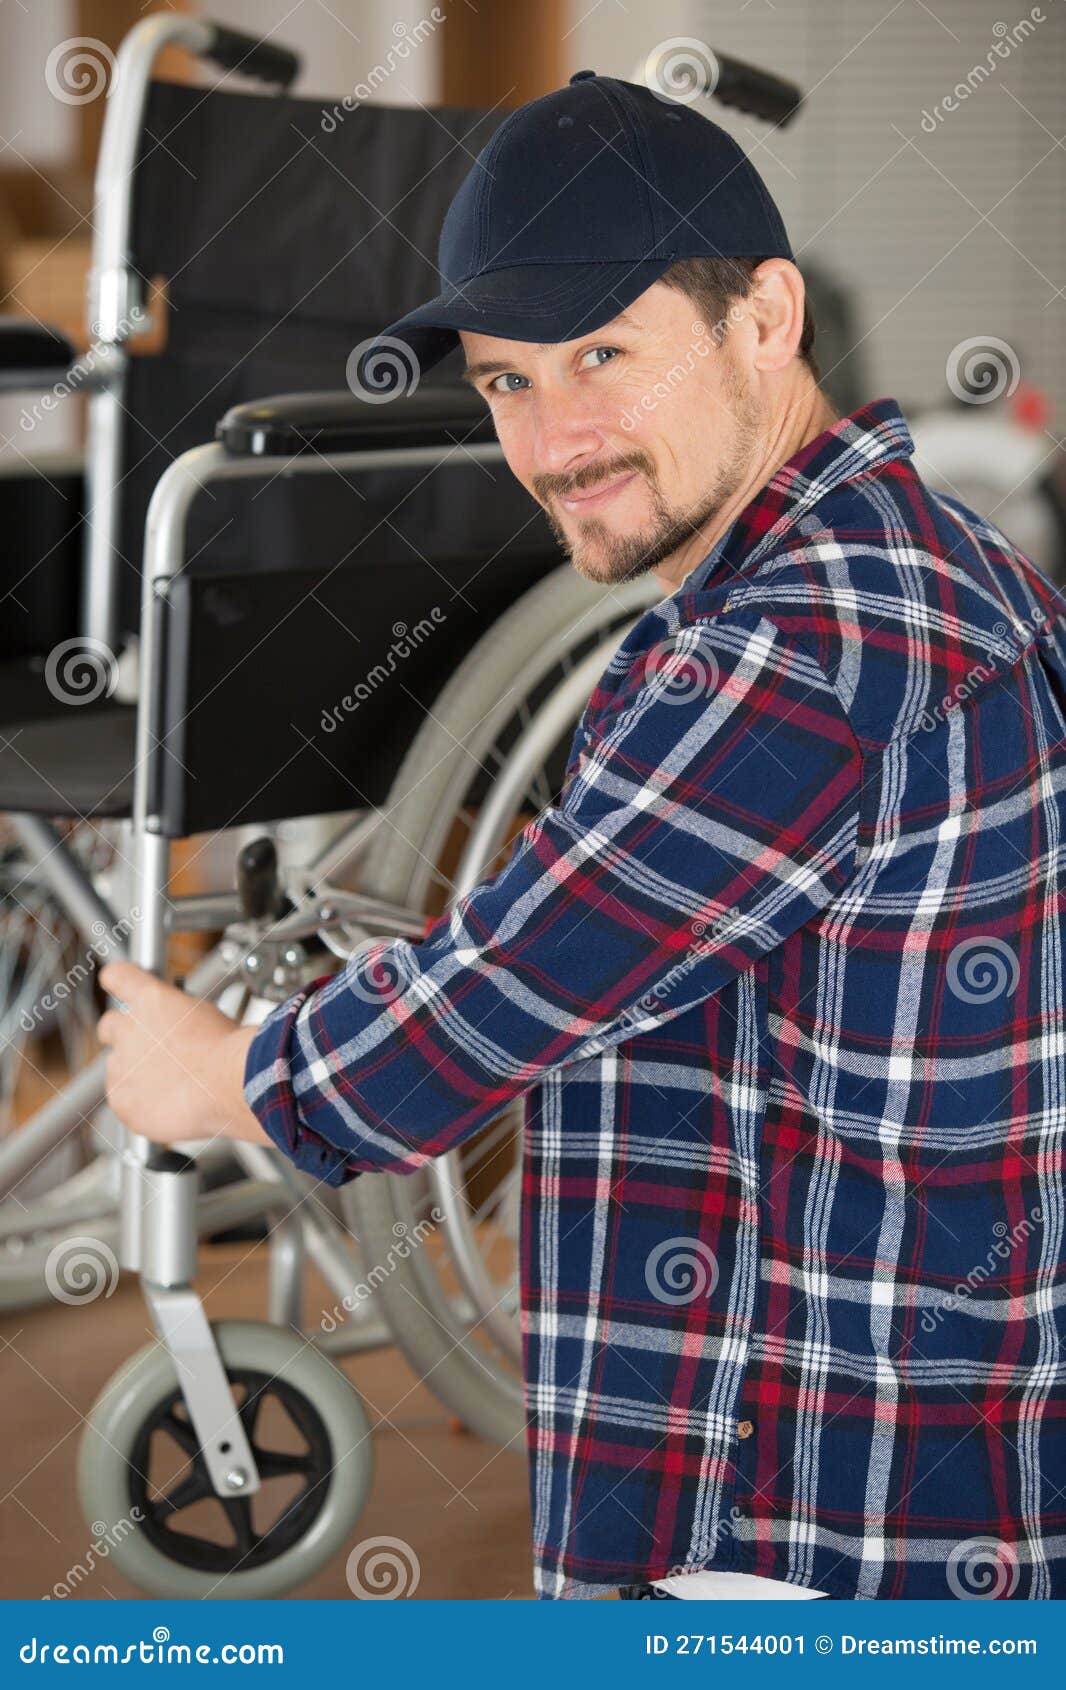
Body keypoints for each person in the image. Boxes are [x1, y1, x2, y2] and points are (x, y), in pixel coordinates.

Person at [99, 70, 1066, 1603]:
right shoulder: (941, 567)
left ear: (764, 318)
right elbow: (615, 940)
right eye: (506, 382)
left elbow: (500, 996)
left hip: (801, 1531)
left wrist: (221, 1073)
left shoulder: (805, 644)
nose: (554, 440)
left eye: (602, 354)